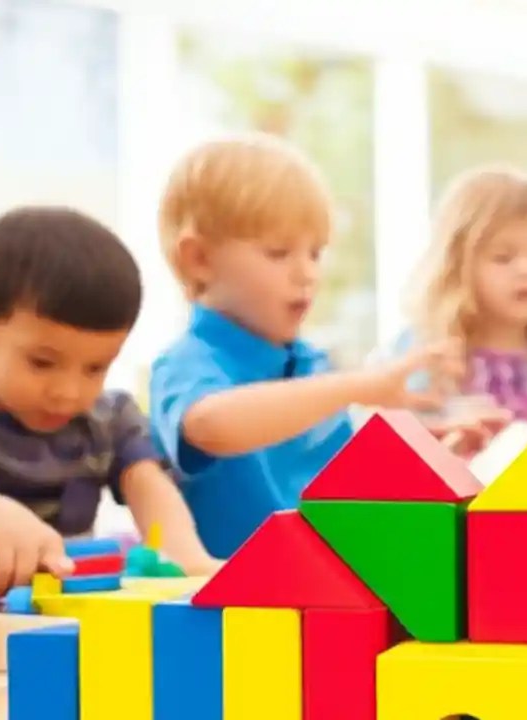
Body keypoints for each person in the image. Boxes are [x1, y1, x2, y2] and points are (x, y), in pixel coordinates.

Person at [149, 135, 462, 558]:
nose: (307, 273)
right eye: (279, 253)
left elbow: (347, 485)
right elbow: (210, 426)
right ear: (199, 260)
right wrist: (355, 387)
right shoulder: (187, 363)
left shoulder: (311, 365)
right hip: (234, 609)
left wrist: (431, 447)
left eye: (316, 253)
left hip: (321, 591)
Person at [0, 207, 219, 597]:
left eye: (95, 368)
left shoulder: (108, 421)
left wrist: (187, 557)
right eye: (42, 363)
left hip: (62, 620)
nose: (69, 392)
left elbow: (152, 491)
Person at [387, 166, 527, 428]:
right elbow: (393, 440)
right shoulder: (425, 351)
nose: (526, 270)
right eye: (503, 258)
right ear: (458, 265)